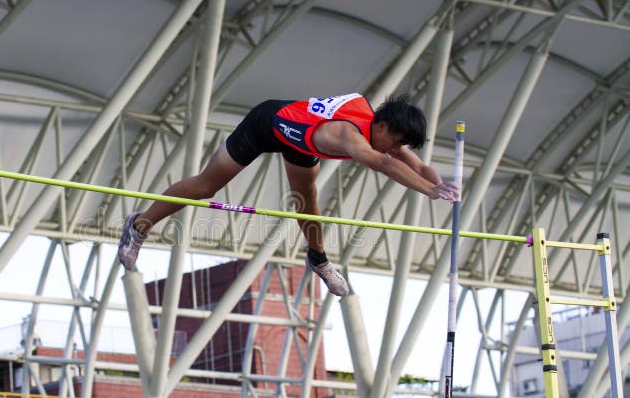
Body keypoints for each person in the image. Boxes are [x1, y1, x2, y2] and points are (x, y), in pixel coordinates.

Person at [117, 93, 458, 296]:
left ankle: (318, 260)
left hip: (300, 142)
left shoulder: (381, 133)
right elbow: (384, 164)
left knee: (307, 202)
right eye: (397, 142)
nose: (398, 149)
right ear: (381, 126)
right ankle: (140, 226)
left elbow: (417, 165)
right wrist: (428, 190)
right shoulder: (349, 135)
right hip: (265, 125)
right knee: (206, 186)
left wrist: (441, 185)